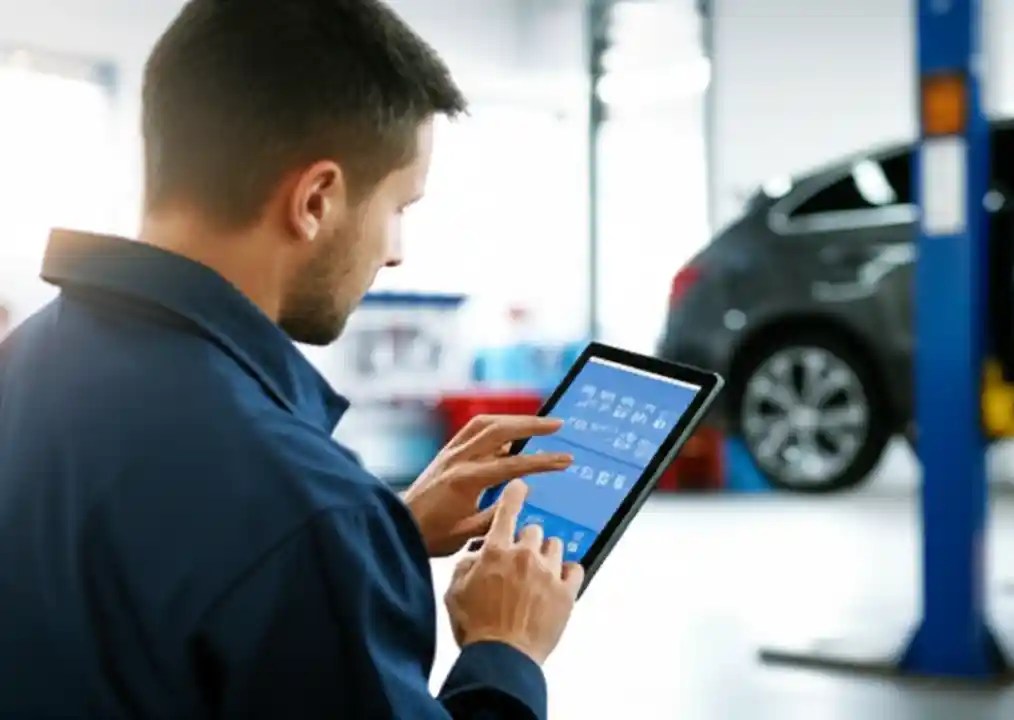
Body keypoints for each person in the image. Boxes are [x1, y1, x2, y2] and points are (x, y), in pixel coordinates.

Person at [0, 1, 583, 718]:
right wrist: (505, 651)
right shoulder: (306, 510)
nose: (395, 250)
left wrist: (381, 538)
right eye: (398, 206)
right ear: (316, 200)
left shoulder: (25, 360)